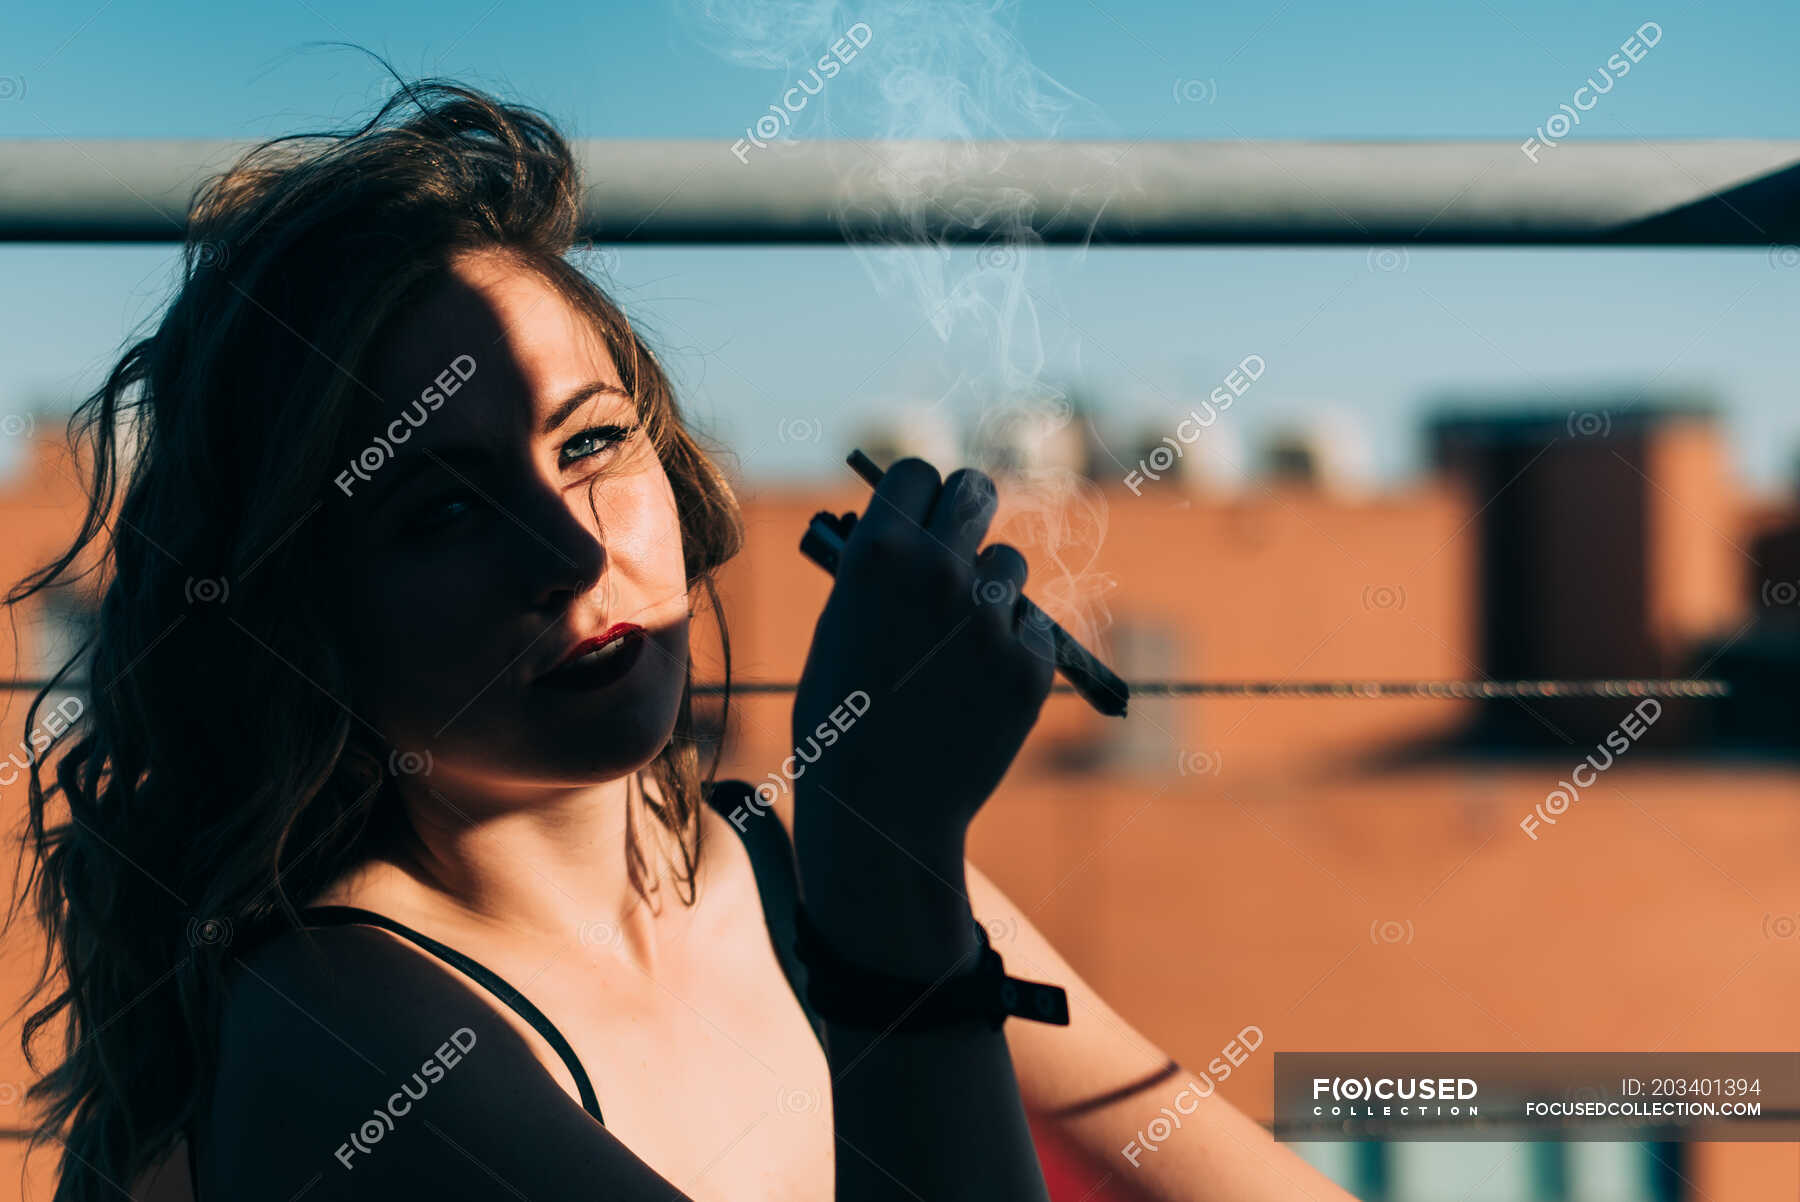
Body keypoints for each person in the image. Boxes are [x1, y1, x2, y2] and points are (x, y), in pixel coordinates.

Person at [5, 75, 1363, 1202]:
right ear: (300, 613)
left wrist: (881, 872)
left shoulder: (787, 866)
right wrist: (890, 873)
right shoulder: (348, 1037)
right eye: (444, 511)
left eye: (592, 442)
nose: (572, 553)